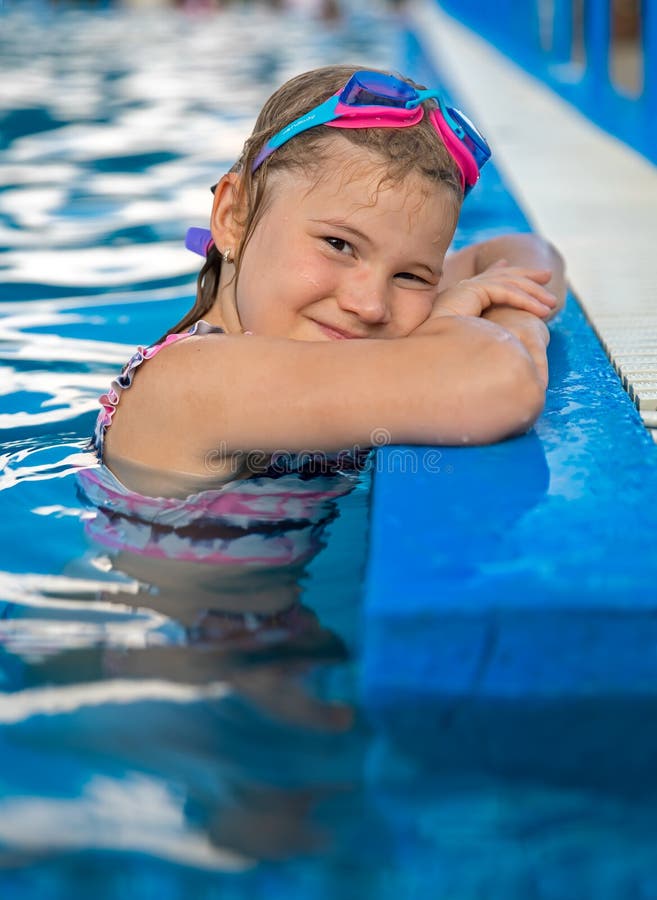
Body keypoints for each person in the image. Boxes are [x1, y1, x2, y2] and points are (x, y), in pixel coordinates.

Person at [92, 65, 566, 493]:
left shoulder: (329, 319)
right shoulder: (192, 381)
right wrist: (468, 325)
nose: (371, 306)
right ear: (234, 215)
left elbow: (526, 254)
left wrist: (506, 314)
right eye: (339, 245)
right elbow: (502, 383)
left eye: (410, 275)